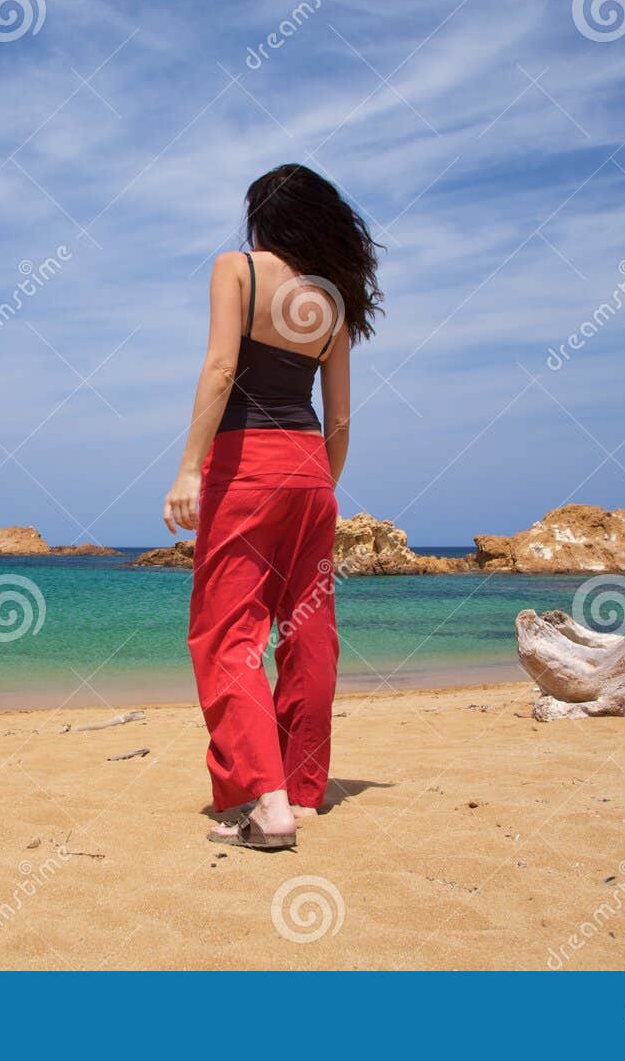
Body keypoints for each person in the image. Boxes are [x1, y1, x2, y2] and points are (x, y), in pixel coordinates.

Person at [163, 163, 383, 849]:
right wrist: (318, 479)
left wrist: (189, 470)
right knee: (309, 631)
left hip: (246, 468)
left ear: (264, 218)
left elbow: (223, 369)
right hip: (312, 470)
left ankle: (268, 803)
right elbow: (340, 421)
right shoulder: (335, 304)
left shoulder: (238, 269)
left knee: (228, 633)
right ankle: (306, 792)